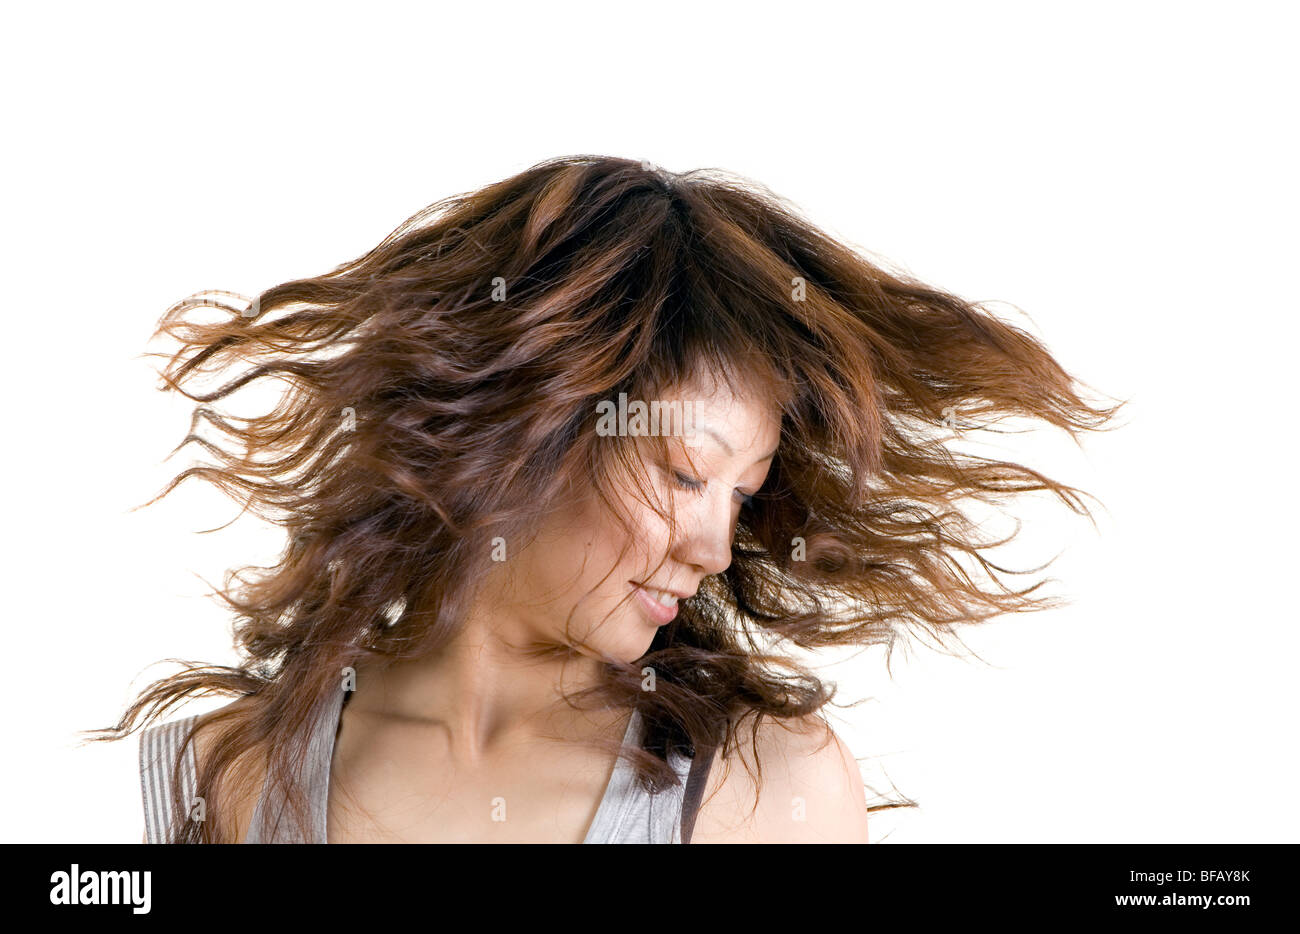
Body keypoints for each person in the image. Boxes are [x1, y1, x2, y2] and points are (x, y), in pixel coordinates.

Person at [97, 154, 1118, 843]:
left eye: (742, 495)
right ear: (528, 427)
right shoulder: (230, 774)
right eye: (684, 475)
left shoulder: (763, 792)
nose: (714, 547)